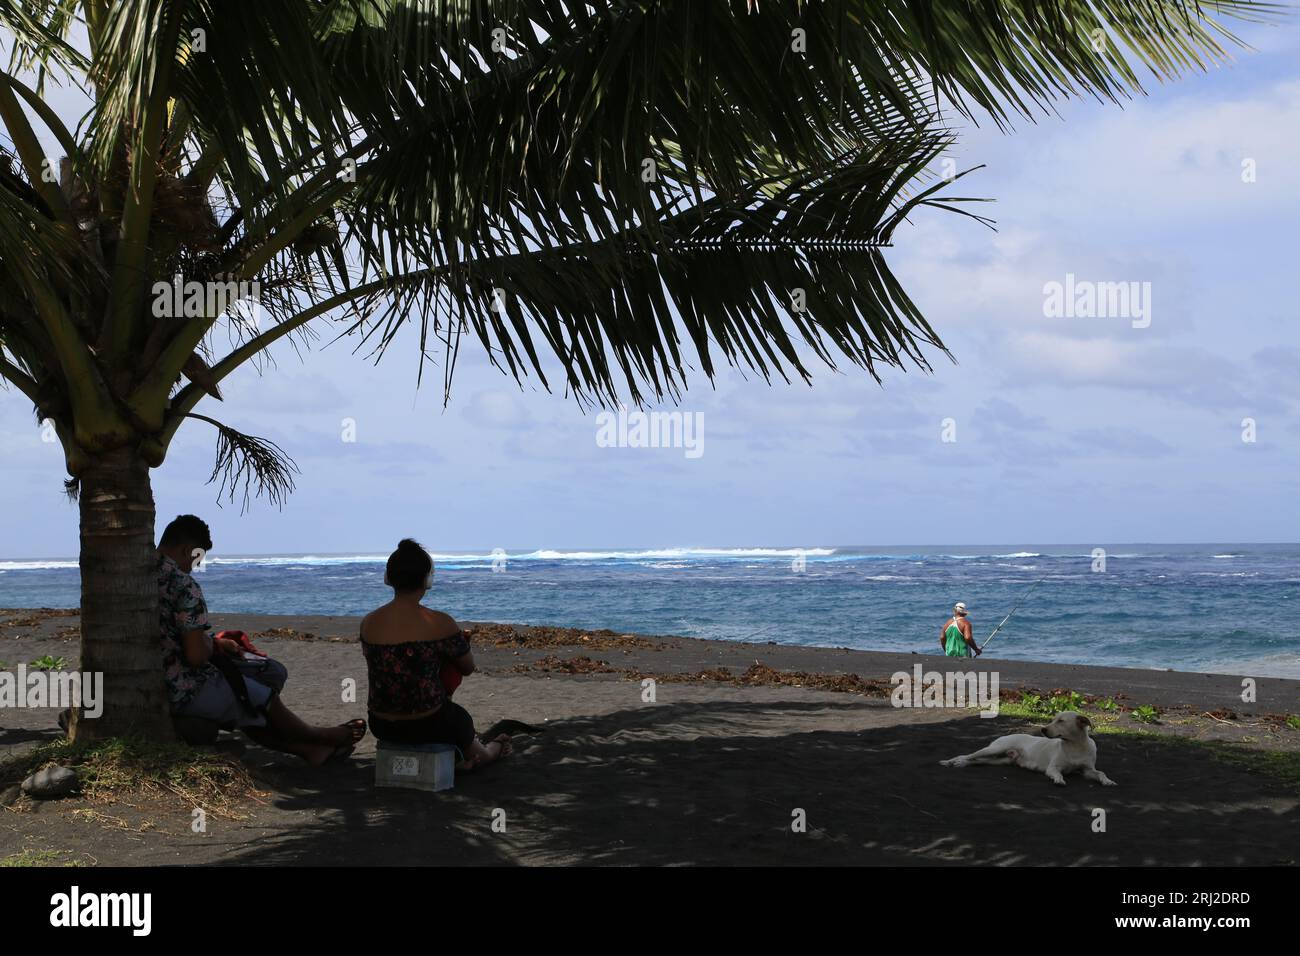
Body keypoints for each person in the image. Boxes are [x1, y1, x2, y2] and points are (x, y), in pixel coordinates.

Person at [157, 515, 366, 763]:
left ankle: (310, 750)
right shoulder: (183, 585)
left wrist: (213, 642)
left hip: (158, 674)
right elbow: (195, 656)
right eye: (196, 558)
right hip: (180, 685)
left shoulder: (134, 573)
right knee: (257, 696)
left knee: (247, 696)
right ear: (186, 550)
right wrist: (209, 645)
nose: (194, 566)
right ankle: (319, 735)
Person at [361, 539, 511, 770]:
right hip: (430, 722)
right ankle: (495, 748)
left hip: (381, 724)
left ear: (388, 578)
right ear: (427, 579)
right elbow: (467, 668)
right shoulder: (440, 623)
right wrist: (459, 644)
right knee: (473, 741)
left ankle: (455, 760)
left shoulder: (369, 623)